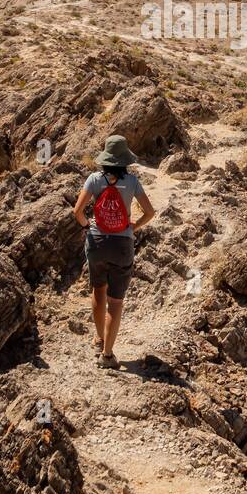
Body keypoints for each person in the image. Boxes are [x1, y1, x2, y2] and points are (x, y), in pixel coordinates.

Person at [72, 135, 155, 368]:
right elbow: (150, 212)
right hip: (122, 244)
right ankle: (107, 355)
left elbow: (77, 211)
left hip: (97, 242)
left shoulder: (94, 179)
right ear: (125, 159)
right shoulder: (132, 182)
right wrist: (133, 227)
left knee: (98, 290)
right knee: (115, 301)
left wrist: (88, 227)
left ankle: (99, 339)